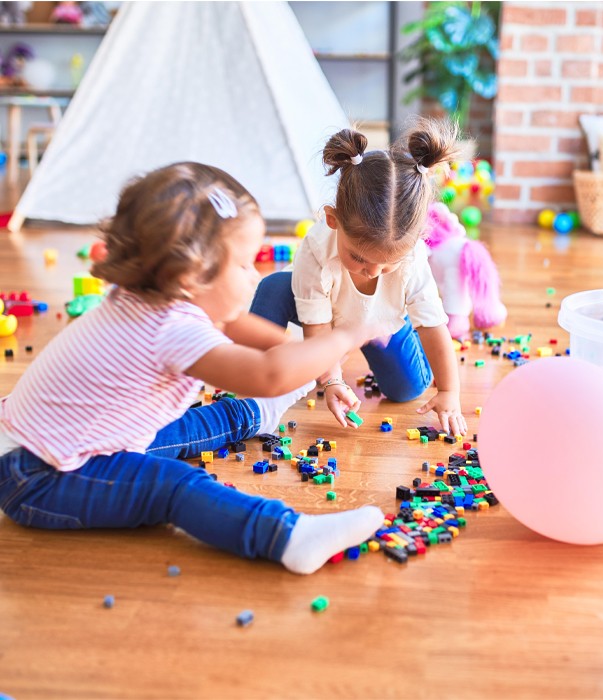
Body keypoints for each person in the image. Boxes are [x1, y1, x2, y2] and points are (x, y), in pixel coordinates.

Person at [0, 162, 385, 575]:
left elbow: (234, 322)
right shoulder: (171, 329)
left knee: (180, 429)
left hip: (64, 440)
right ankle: (288, 536)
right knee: (172, 487)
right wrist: (341, 340)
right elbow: (269, 375)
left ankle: (256, 415)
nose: (254, 274)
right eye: (243, 264)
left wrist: (290, 347)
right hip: (39, 476)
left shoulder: (154, 294)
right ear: (189, 276)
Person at [250, 119, 469, 437]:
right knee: (273, 286)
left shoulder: (413, 259)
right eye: (359, 257)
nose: (372, 271)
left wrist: (450, 391)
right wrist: (333, 380)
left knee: (406, 390)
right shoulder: (317, 247)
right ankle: (256, 371)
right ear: (332, 219)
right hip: (330, 317)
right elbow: (317, 327)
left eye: (386, 265)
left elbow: (435, 327)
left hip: (382, 323)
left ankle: (384, 343)